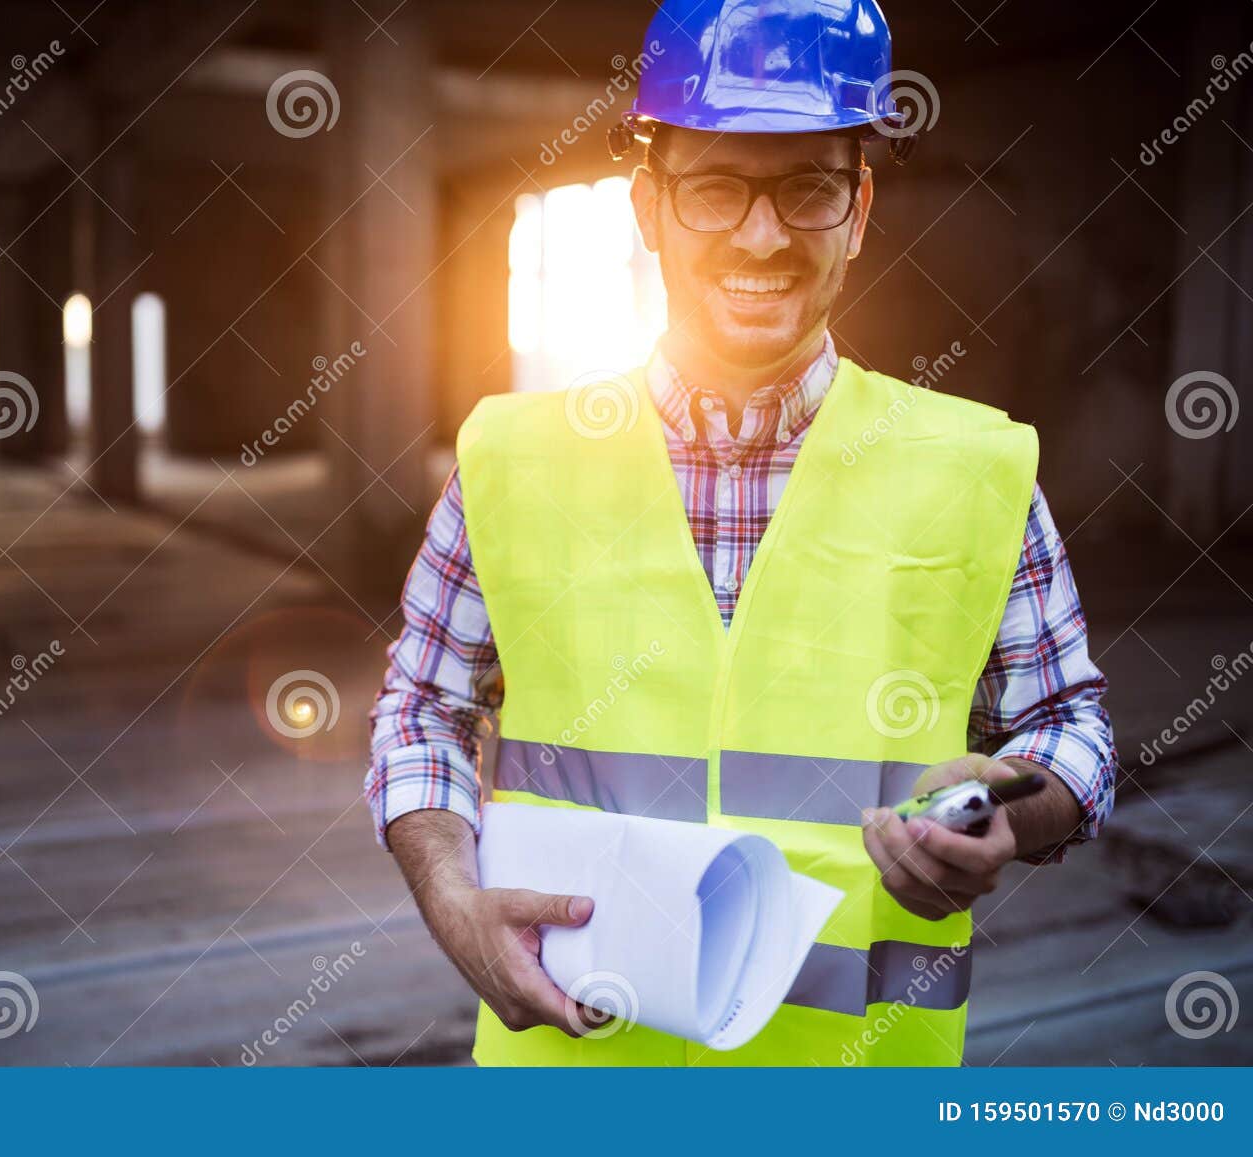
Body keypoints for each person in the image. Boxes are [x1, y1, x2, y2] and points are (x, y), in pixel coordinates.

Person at [366, 0, 1116, 1066]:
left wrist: (1012, 812)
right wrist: (450, 896)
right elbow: (421, 709)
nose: (760, 238)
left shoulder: (974, 469)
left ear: (857, 210)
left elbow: (1069, 728)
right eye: (715, 187)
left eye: (807, 187)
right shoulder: (513, 459)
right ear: (649, 208)